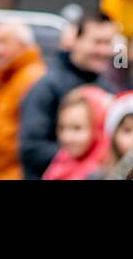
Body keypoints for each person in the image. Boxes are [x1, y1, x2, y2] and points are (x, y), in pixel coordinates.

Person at [19, 10, 116, 179]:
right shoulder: (47, 86)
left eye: (108, 43)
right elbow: (30, 148)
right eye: (97, 42)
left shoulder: (108, 88)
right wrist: (82, 158)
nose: (104, 50)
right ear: (76, 40)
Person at [0, 19, 47, 180]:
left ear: (22, 44)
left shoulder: (31, 78)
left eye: (3, 42)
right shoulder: (8, 77)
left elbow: (32, 139)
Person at [41, 86, 111, 180]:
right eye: (62, 127)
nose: (66, 137)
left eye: (77, 128)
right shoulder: (61, 162)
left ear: (98, 129)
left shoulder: (105, 171)